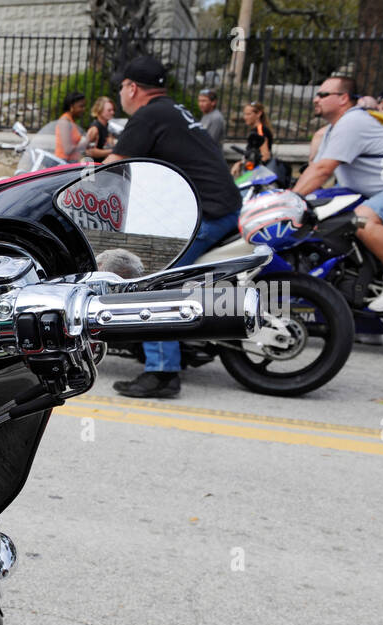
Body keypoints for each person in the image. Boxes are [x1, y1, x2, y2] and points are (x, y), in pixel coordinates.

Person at [103, 55, 242, 399]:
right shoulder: (172, 110)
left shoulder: (148, 115)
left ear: (132, 88)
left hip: (206, 213)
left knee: (151, 278)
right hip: (218, 206)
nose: (121, 92)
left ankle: (162, 373)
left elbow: (110, 169)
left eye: (122, 86)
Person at [293, 74, 383, 312]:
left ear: (343, 98)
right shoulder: (333, 129)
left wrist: (292, 200)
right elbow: (315, 170)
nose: (316, 99)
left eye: (323, 94)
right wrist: (291, 194)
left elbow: (323, 171)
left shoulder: (352, 123)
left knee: (363, 219)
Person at [230, 101, 273, 176]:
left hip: (256, 173)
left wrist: (251, 172)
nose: (245, 117)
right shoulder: (255, 130)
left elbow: (265, 155)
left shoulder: (260, 130)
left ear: (259, 114)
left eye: (248, 114)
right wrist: (240, 163)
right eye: (244, 114)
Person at [55, 90, 88, 163]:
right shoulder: (65, 122)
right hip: (63, 163)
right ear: (71, 106)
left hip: (71, 161)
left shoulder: (71, 120)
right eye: (81, 106)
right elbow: (68, 150)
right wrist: (87, 141)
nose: (83, 109)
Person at [85, 96, 118, 161]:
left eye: (113, 110)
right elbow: (90, 152)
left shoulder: (107, 126)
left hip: (104, 165)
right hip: (95, 167)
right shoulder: (94, 129)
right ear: (99, 110)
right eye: (109, 110)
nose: (112, 112)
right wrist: (113, 151)